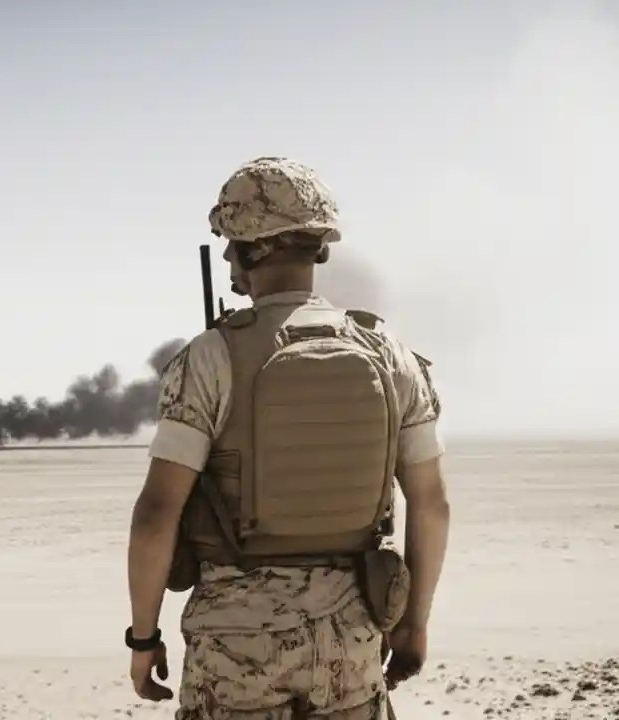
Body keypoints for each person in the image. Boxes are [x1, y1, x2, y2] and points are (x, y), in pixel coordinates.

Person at [125, 156, 451, 719]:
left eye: (231, 242)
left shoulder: (210, 358)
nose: (226, 257)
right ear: (318, 245)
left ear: (252, 248)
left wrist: (143, 637)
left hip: (235, 648)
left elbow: (157, 513)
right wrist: (414, 623)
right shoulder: (389, 354)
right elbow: (431, 503)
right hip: (352, 639)